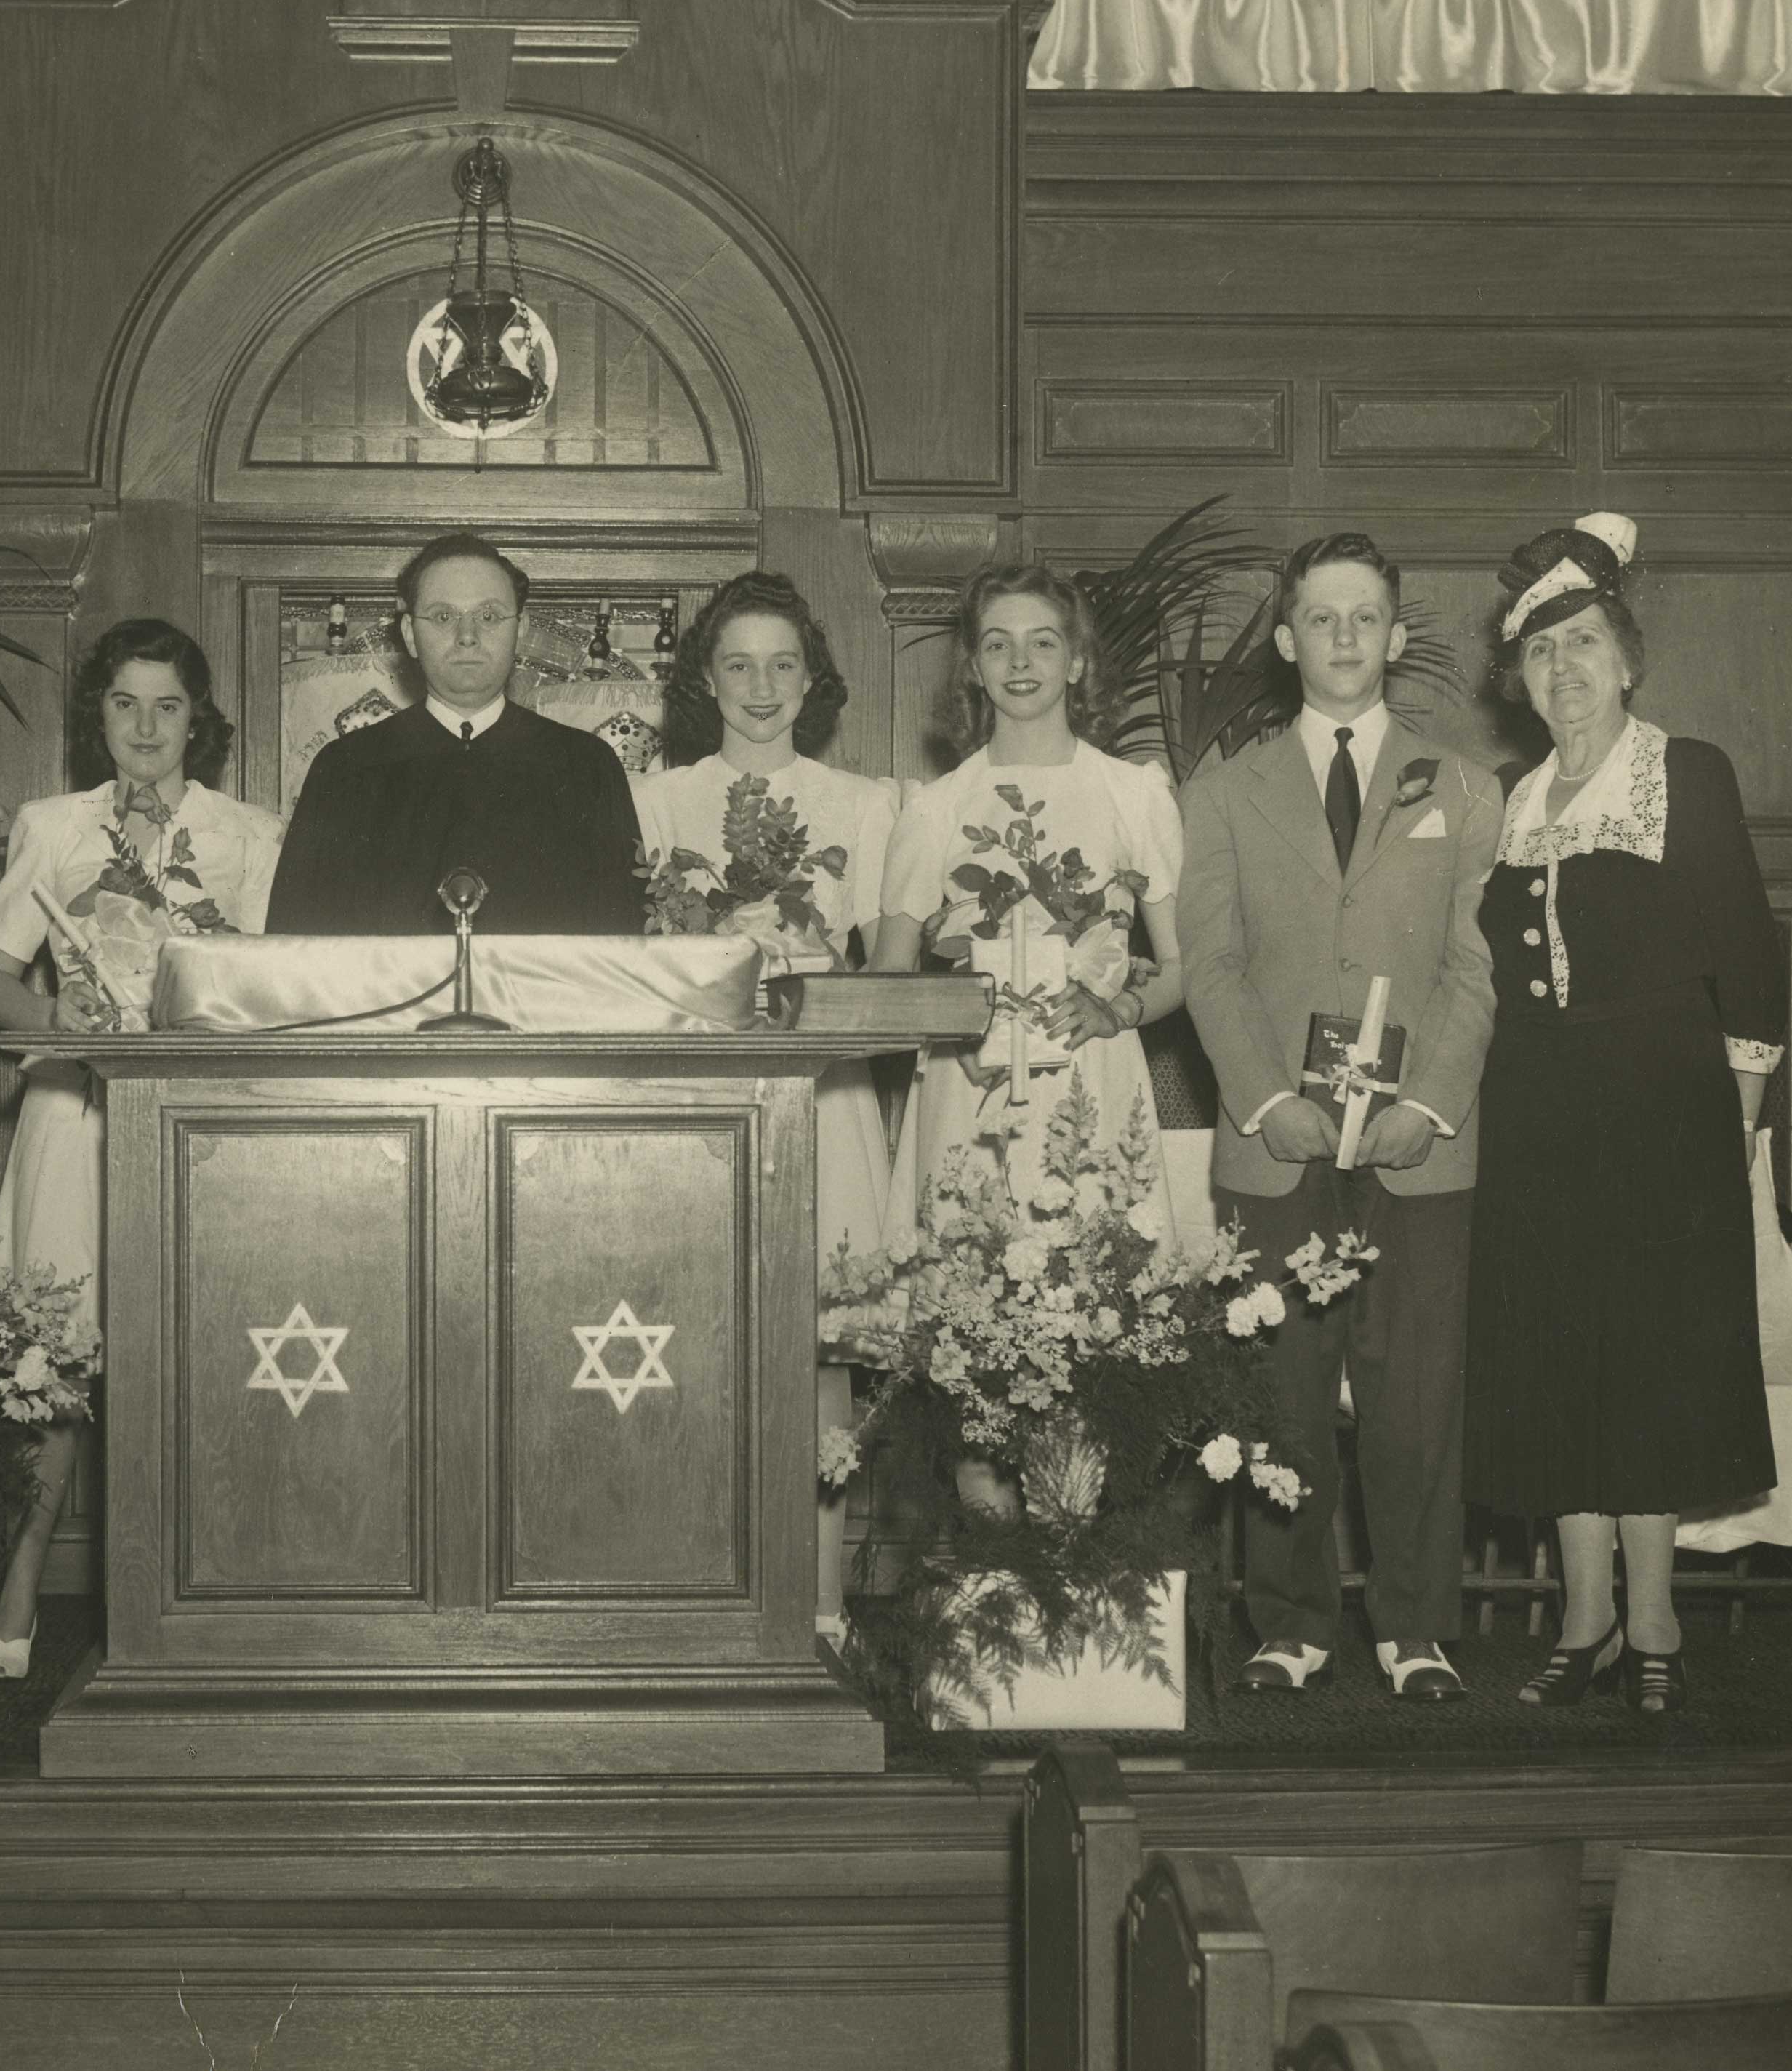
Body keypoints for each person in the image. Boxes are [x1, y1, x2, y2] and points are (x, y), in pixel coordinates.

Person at [1464, 515, 1782, 1717]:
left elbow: (1746, 954)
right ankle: (1583, 1617)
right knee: (1557, 1355)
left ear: (1626, 658)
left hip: (1665, 1108)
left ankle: (1653, 1619)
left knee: (1646, 1358)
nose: (1564, 668)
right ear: (1520, 676)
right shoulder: (1511, 797)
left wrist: (1734, 1122)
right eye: (1541, 651)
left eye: (1584, 642)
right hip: (1535, 1112)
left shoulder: (1683, 772)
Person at [1177, 534, 1503, 1703]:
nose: (1347, 636)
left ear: (1397, 635)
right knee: (1281, 1393)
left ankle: (1416, 1628)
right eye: (1323, 617)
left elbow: (1475, 967)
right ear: (1287, 639)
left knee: (1416, 1394)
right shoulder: (1224, 791)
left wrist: (1431, 1104)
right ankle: (1292, 1623)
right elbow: (1210, 963)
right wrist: (1268, 1098)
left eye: (1366, 615)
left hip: (1420, 1148)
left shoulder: (1464, 788)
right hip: (1276, 1145)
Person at [0, 618, 284, 1676]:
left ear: (200, 719)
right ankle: (18, 1591)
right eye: (124, 703)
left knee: (204, 1348)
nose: (146, 728)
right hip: (75, 1110)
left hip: (200, 1120)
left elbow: (277, 984)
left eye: (168, 705)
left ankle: (208, 1594)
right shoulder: (52, 824)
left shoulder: (251, 832)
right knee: (56, 1357)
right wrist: (57, 1019)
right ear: (95, 715)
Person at [633, 569, 903, 1645]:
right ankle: (693, 1592)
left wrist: (811, 963)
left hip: (822, 1089)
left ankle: (823, 1605)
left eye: (782, 663)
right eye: (738, 664)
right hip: (695, 1092)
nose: (761, 685)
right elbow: (630, 964)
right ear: (705, 679)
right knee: (690, 1339)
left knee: (820, 1344)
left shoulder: (867, 804)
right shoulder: (656, 800)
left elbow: (886, 978)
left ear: (811, 678)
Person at [871, 564, 1186, 1243]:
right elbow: (888, 985)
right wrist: (954, 1025)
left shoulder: (1135, 794)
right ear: (974, 667)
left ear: (1077, 662)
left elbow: (1184, 967)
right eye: (997, 644)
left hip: (1093, 1073)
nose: (1020, 662)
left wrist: (1116, 1010)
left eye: (1043, 642)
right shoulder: (934, 808)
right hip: (970, 1085)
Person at [268, 533, 642, 937]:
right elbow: (294, 947)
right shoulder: (345, 769)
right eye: (443, 616)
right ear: (410, 634)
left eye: (489, 616)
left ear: (521, 629)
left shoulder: (586, 767)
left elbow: (625, 948)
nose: (467, 635)